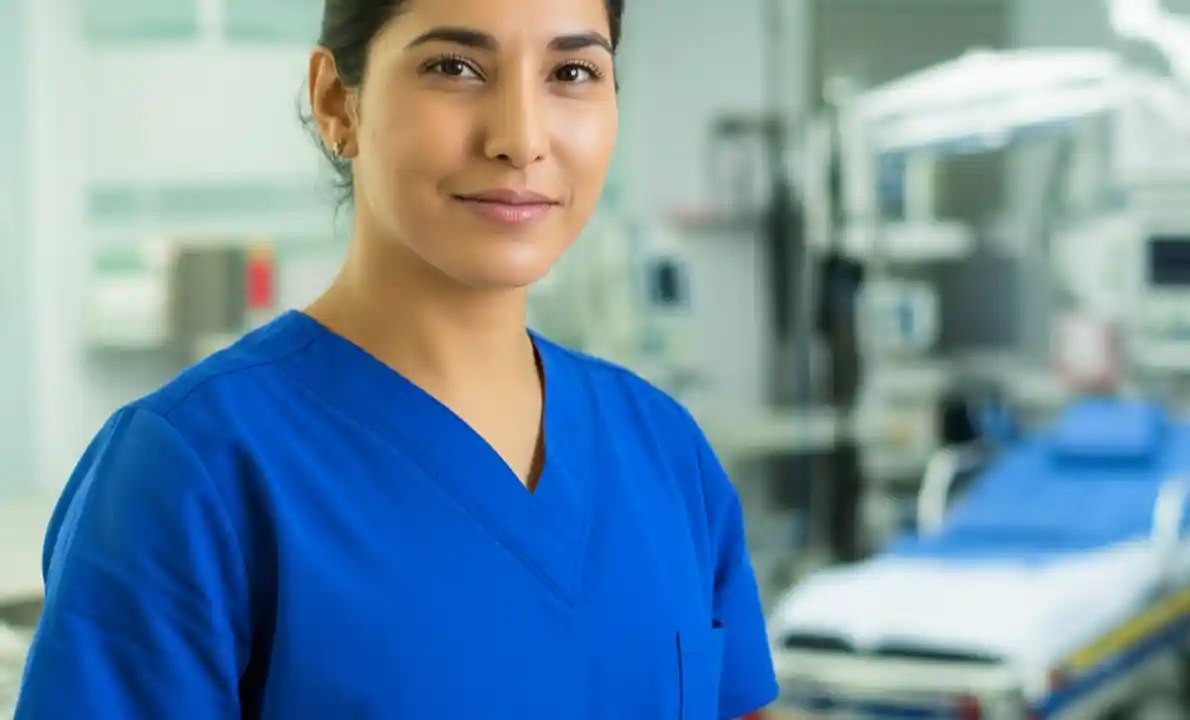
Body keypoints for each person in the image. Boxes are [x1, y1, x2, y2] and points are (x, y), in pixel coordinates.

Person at [15, 0, 779, 718]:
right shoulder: (189, 472)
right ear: (336, 103)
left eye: (572, 72)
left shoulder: (666, 452)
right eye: (454, 67)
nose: (521, 137)